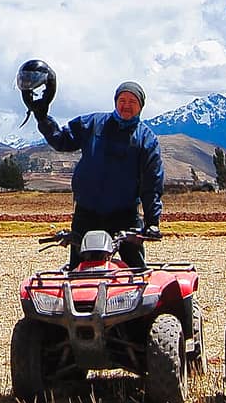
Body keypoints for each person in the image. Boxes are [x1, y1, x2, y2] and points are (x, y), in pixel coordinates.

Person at [33, 81, 164, 269]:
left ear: (141, 106)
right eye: (122, 100)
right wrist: (42, 118)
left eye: (132, 101)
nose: (126, 105)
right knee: (79, 274)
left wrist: (152, 222)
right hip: (87, 214)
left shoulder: (146, 139)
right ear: (115, 102)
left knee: (136, 275)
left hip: (125, 217)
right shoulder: (92, 124)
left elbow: (152, 184)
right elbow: (62, 141)